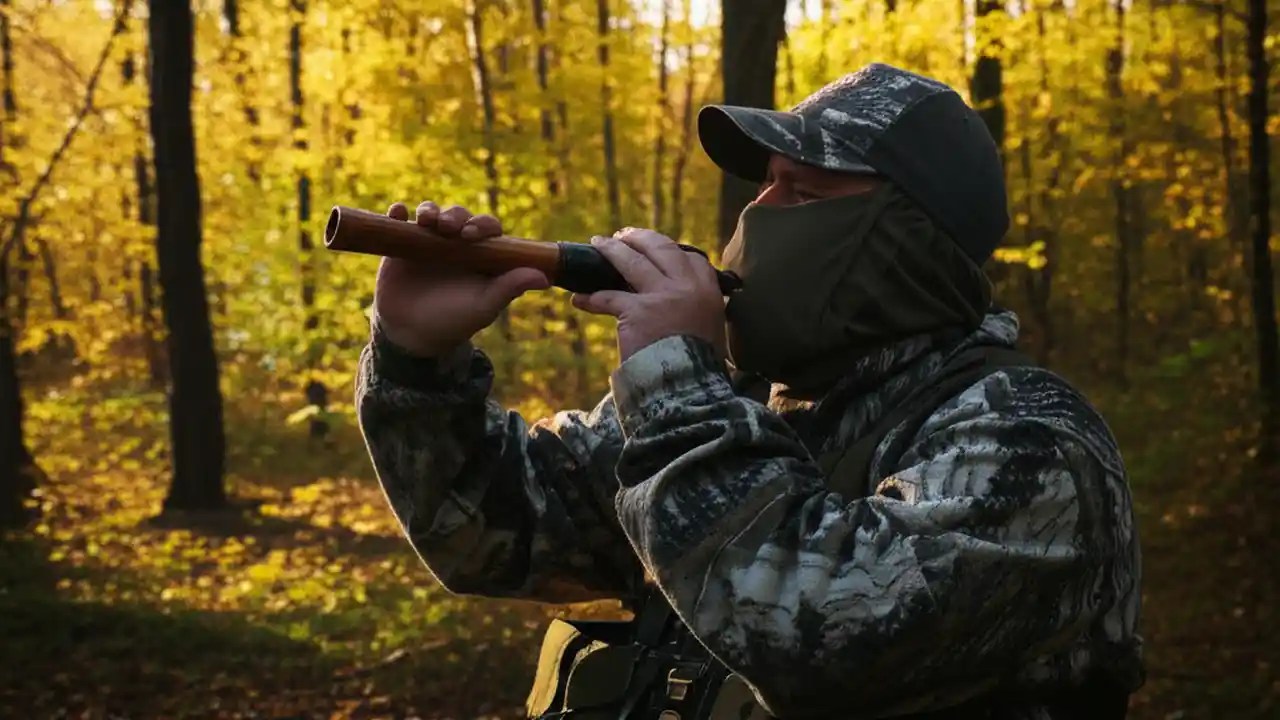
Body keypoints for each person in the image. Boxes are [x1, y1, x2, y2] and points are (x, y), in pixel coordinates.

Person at [354, 63, 1143, 720]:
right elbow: (486, 532)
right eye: (763, 186)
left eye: (800, 195)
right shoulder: (738, 405)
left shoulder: (1026, 436)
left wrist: (676, 383)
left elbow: (819, 634)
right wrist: (418, 360)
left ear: (905, 240)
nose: (757, 216)